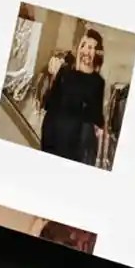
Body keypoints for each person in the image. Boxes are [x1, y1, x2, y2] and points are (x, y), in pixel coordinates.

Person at [40, 28, 106, 166]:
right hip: (51, 137)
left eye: (90, 47)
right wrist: (53, 77)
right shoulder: (65, 72)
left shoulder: (97, 82)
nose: (85, 51)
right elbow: (48, 103)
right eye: (83, 45)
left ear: (97, 53)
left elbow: (96, 118)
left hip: (74, 146)